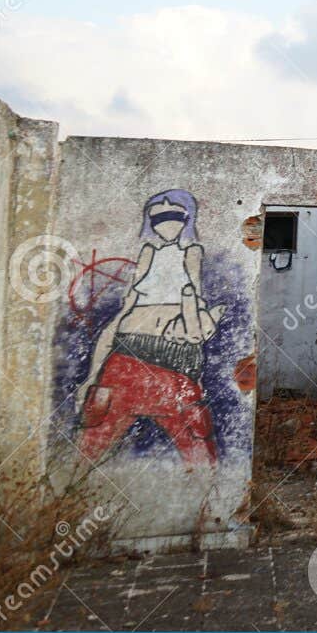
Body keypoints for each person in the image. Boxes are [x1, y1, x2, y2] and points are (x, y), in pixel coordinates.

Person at [76, 190, 224, 465]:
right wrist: (92, 375)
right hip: (126, 359)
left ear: (187, 218)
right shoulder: (148, 252)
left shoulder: (192, 252)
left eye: (174, 216)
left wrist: (197, 344)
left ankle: (210, 506)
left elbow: (196, 306)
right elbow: (122, 315)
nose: (165, 224)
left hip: (175, 365)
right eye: (157, 219)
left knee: (199, 450)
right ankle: (66, 498)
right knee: (90, 447)